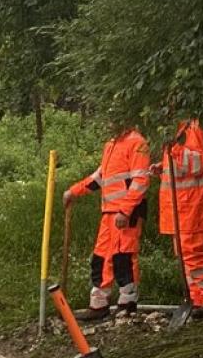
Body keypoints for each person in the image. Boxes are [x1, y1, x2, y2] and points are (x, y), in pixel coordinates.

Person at [63, 124, 151, 318]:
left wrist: (125, 210)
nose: (109, 124)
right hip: (109, 213)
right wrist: (74, 191)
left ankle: (128, 303)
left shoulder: (136, 142)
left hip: (127, 212)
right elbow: (100, 177)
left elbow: (141, 181)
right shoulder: (111, 145)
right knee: (101, 257)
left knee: (124, 257)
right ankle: (99, 304)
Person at [158, 118, 203, 316]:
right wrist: (162, 167)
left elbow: (200, 163)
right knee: (184, 254)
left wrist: (174, 151)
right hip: (183, 208)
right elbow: (184, 167)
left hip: (194, 206)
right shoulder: (180, 131)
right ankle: (198, 299)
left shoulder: (191, 130)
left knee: (193, 252)